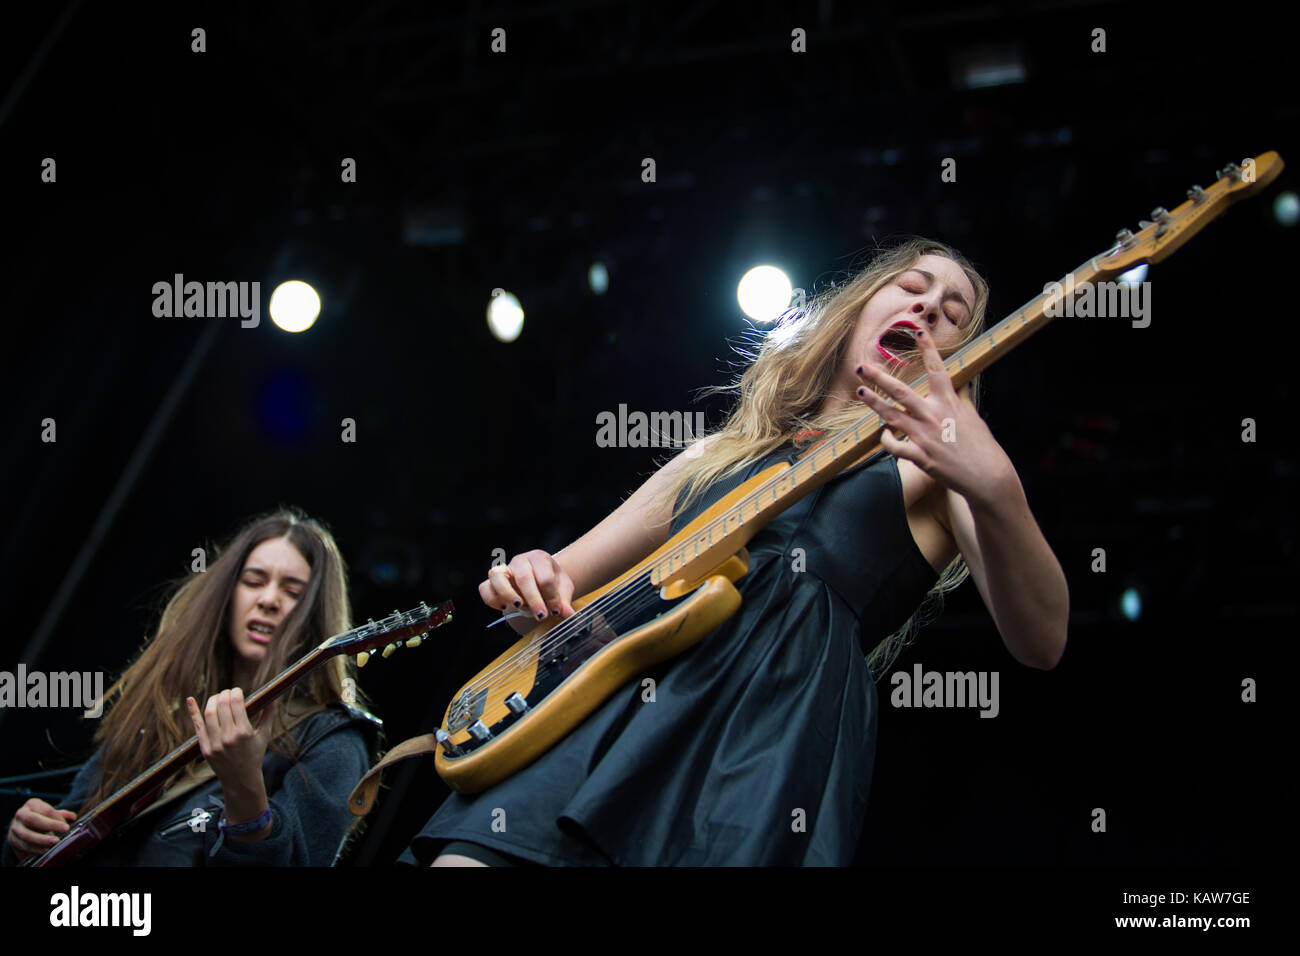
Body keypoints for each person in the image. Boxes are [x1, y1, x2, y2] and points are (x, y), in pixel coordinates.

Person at [400, 237, 1069, 866]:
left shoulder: (938, 464)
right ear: (858, 306)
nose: (927, 307)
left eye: (953, 313)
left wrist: (997, 488)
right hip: (612, 708)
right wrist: (527, 579)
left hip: (759, 739)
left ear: (960, 356)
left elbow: (1042, 638)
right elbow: (553, 599)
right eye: (911, 287)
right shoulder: (713, 457)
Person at [3, 509, 381, 866]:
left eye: (293, 591)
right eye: (253, 581)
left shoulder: (335, 740)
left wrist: (244, 787)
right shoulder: (163, 711)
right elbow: (73, 827)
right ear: (226, 597)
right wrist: (26, 840)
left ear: (316, 616)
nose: (268, 600)